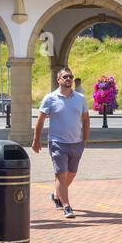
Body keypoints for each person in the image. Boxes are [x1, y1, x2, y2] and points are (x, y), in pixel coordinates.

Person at [33, 68, 90, 219]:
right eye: (65, 77)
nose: (69, 79)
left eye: (71, 76)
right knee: (61, 174)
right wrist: (36, 139)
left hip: (76, 142)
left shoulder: (80, 98)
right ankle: (67, 206)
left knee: (71, 174)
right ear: (58, 79)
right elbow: (40, 120)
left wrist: (84, 139)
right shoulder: (50, 98)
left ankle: (56, 195)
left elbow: (85, 119)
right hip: (57, 142)